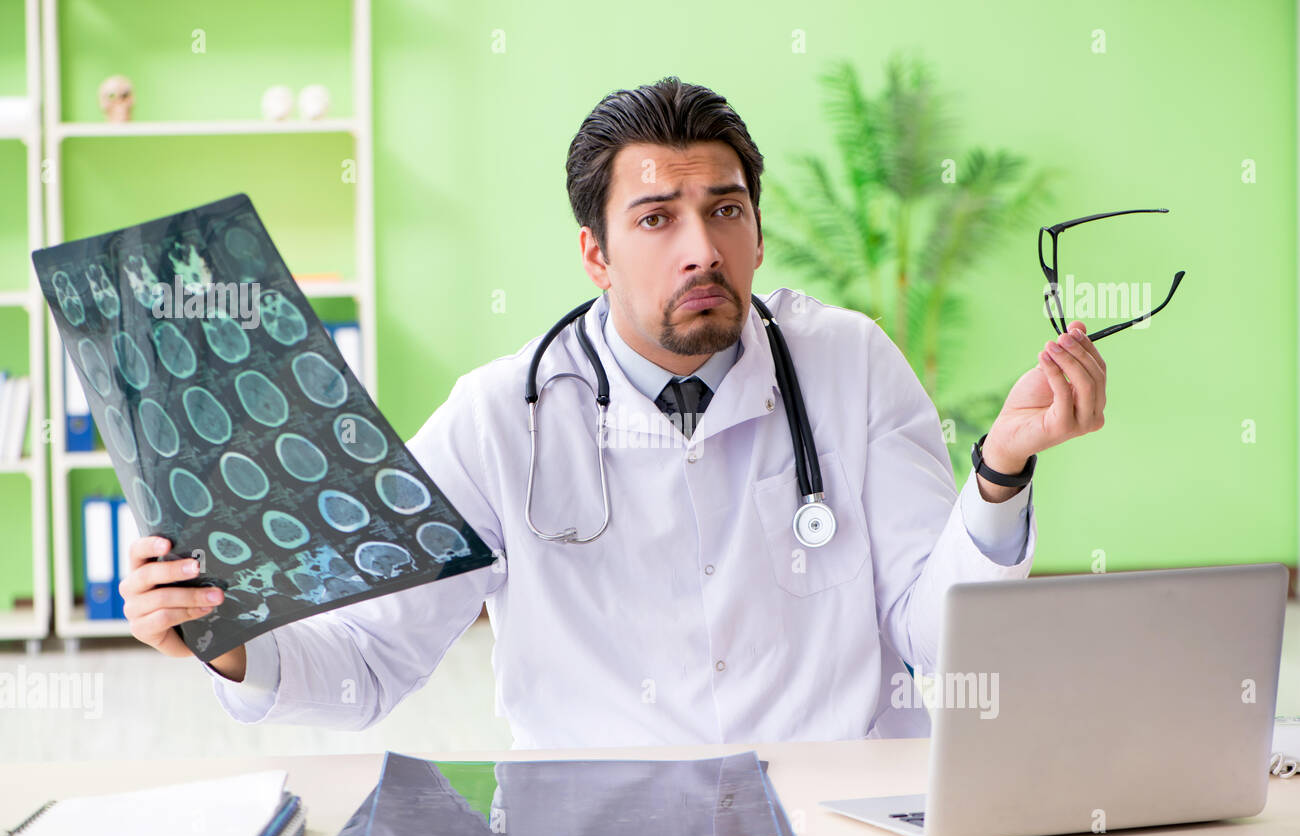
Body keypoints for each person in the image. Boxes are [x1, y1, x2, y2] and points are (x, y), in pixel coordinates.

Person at [119, 77, 1106, 748]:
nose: (700, 250)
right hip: (601, 835)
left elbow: (939, 638)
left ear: (756, 231)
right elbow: (372, 662)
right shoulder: (498, 417)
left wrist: (1000, 472)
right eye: (655, 218)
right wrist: (231, 641)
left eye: (725, 210)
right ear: (593, 253)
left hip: (835, 823)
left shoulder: (847, 365)